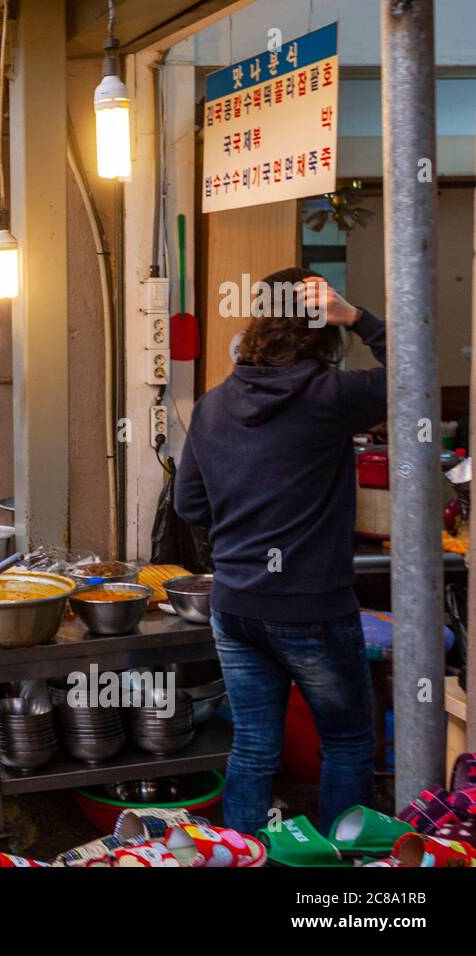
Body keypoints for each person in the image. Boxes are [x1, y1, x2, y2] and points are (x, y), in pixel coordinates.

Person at [174, 269, 384, 837]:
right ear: (323, 332)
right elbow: (414, 378)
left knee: (253, 747)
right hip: (311, 605)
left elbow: (190, 502)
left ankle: (240, 852)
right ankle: (343, 868)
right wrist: (360, 318)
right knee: (346, 742)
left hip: (236, 604)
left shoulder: (215, 404)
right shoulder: (331, 395)